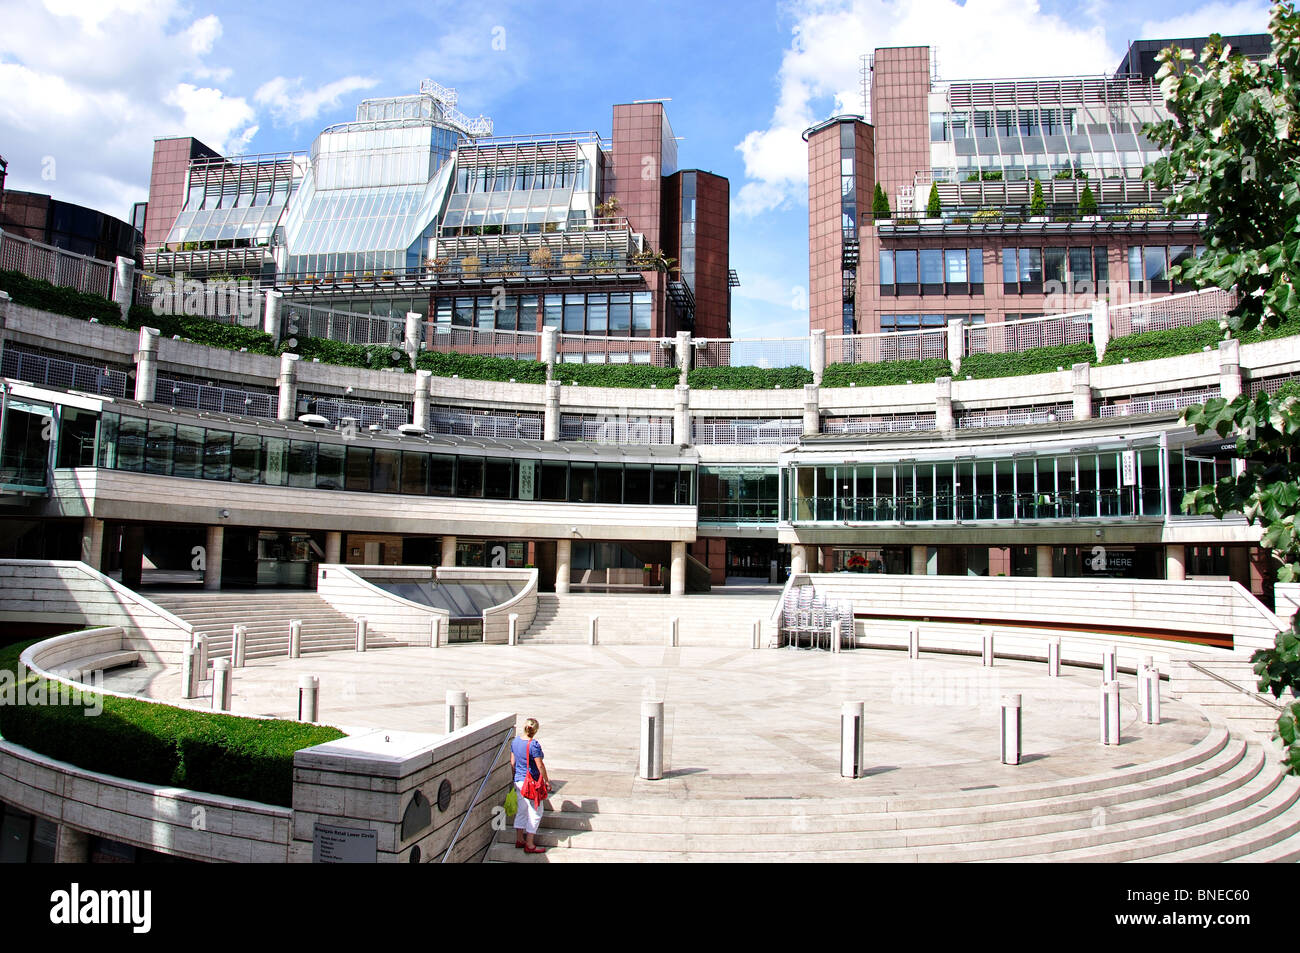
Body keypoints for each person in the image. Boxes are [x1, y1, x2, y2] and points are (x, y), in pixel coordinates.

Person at [510, 717, 550, 853]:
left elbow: (512, 763)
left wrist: (515, 778)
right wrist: (546, 780)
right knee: (536, 812)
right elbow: (540, 765)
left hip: (519, 781)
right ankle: (530, 843)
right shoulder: (534, 745)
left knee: (521, 810)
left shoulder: (515, 742)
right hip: (531, 783)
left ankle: (519, 839)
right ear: (536, 730)